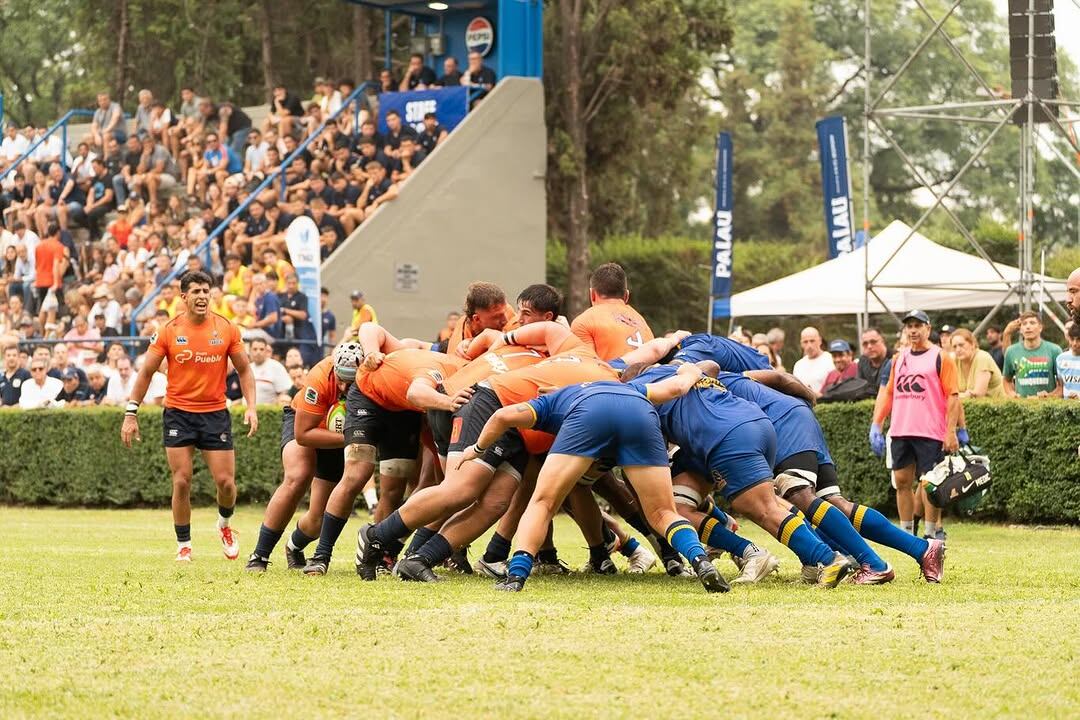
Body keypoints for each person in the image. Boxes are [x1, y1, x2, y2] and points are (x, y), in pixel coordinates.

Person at [459, 370, 727, 594]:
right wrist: (690, 370)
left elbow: (503, 416)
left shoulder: (553, 401)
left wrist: (478, 448)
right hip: (638, 413)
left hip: (587, 416)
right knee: (663, 513)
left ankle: (516, 576)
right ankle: (700, 560)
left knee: (543, 502)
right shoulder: (630, 387)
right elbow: (677, 387)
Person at [120, 271, 258, 562]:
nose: (202, 296)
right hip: (178, 414)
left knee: (226, 484)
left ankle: (224, 525)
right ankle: (184, 545)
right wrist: (131, 413)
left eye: (206, 291)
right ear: (183, 297)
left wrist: (251, 406)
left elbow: (245, 369)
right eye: (195, 291)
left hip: (215, 414)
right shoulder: (168, 330)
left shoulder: (227, 328)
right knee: (181, 480)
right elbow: (146, 372)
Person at [246, 343, 364, 572]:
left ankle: (294, 545)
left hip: (339, 435)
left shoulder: (371, 381)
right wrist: (349, 438)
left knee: (318, 519)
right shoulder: (319, 377)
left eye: (351, 381)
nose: (343, 386)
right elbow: (303, 435)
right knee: (297, 476)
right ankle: (259, 555)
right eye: (341, 378)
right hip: (306, 424)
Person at [869, 310, 961, 546]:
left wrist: (952, 430)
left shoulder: (942, 357)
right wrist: (877, 424)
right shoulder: (898, 359)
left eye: (918, 326)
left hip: (930, 431)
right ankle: (906, 535)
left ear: (928, 329)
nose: (913, 330)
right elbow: (890, 392)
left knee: (929, 483)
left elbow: (953, 396)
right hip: (901, 430)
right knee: (901, 481)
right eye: (909, 326)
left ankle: (931, 535)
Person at [570, 262, 653, 360]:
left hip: (613, 374)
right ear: (626, 296)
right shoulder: (642, 322)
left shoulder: (583, 322)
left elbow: (585, 366)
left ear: (592, 294)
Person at [1002, 312, 1061, 399]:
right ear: (1021, 329)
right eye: (1024, 324)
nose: (1028, 327)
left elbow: (1062, 386)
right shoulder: (1011, 351)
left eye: (1032, 323)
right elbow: (1006, 380)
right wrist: (1012, 394)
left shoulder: (1055, 350)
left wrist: (1049, 396)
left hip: (1047, 408)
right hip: (1022, 408)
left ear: (1040, 327)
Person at [951, 328, 1005, 399]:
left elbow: (978, 395)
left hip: (997, 406)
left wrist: (955, 396)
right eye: (954, 347)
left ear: (972, 344)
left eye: (961, 345)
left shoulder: (982, 358)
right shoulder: (954, 360)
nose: (958, 350)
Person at [248, 336, 292, 405]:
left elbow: (285, 391)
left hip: (269, 412)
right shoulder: (247, 368)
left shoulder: (276, 366)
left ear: (266, 351)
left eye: (261, 349)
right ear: (250, 351)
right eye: (255, 349)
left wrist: (276, 403)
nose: (258, 352)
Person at [792, 327, 834, 395]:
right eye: (805, 342)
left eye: (812, 341)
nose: (809, 345)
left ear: (820, 341)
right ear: (801, 344)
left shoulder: (830, 359)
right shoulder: (798, 365)